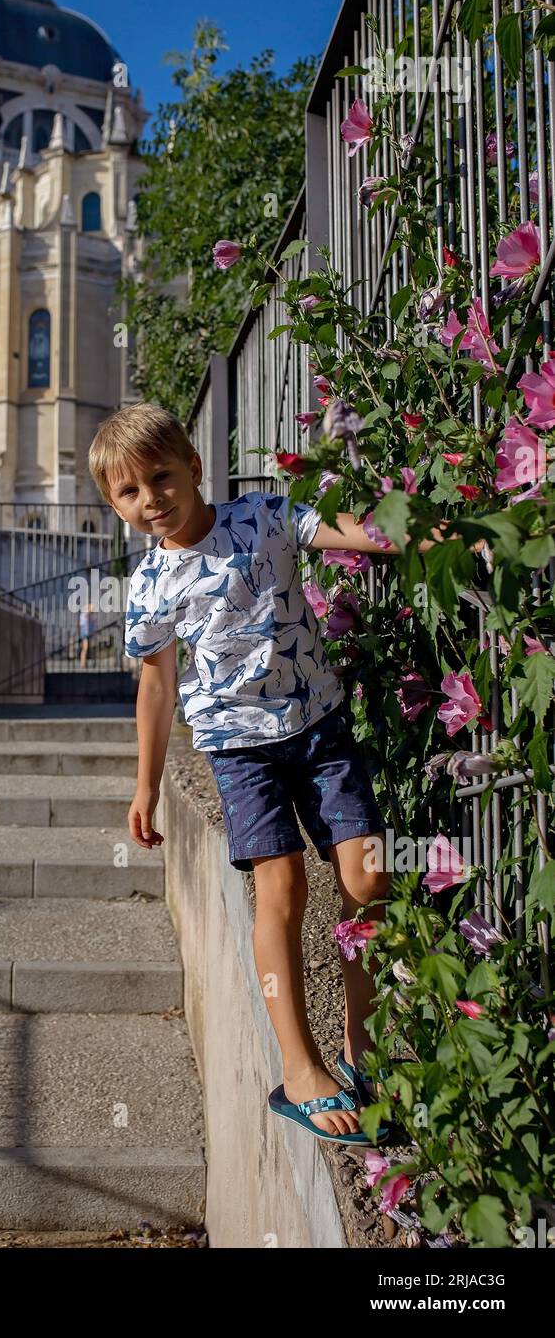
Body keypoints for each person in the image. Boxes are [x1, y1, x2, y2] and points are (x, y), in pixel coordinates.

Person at [87, 401, 473, 1144]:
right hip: (239, 753)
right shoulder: (150, 588)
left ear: (194, 468)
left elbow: (354, 529)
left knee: (368, 881)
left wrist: (449, 532)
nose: (150, 501)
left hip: (319, 729)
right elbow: (158, 686)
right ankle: (299, 1070)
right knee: (283, 890)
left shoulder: (262, 515)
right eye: (128, 494)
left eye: (160, 478)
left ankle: (367, 1051)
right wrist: (144, 786)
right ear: (115, 505)